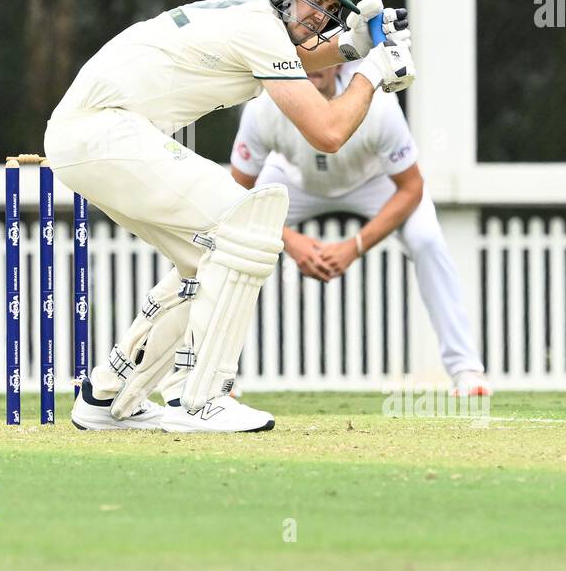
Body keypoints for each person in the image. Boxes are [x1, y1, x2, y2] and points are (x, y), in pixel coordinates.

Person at [44, 0, 415, 433]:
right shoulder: (258, 29)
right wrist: (370, 71)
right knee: (246, 223)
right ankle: (199, 398)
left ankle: (107, 397)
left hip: (94, 136)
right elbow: (327, 133)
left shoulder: (255, 20)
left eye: (331, 8)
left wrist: (355, 47)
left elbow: (298, 61)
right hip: (104, 130)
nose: (319, 16)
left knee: (202, 261)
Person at [189, 60, 491, 396]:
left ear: (343, 61)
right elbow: (237, 194)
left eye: (326, 52)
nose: (316, 61)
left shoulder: (380, 105)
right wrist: (288, 241)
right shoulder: (263, 108)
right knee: (230, 236)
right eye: (307, 54)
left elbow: (411, 188)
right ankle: (214, 375)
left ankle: (467, 371)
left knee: (426, 239)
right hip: (293, 178)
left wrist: (355, 246)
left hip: (373, 181)